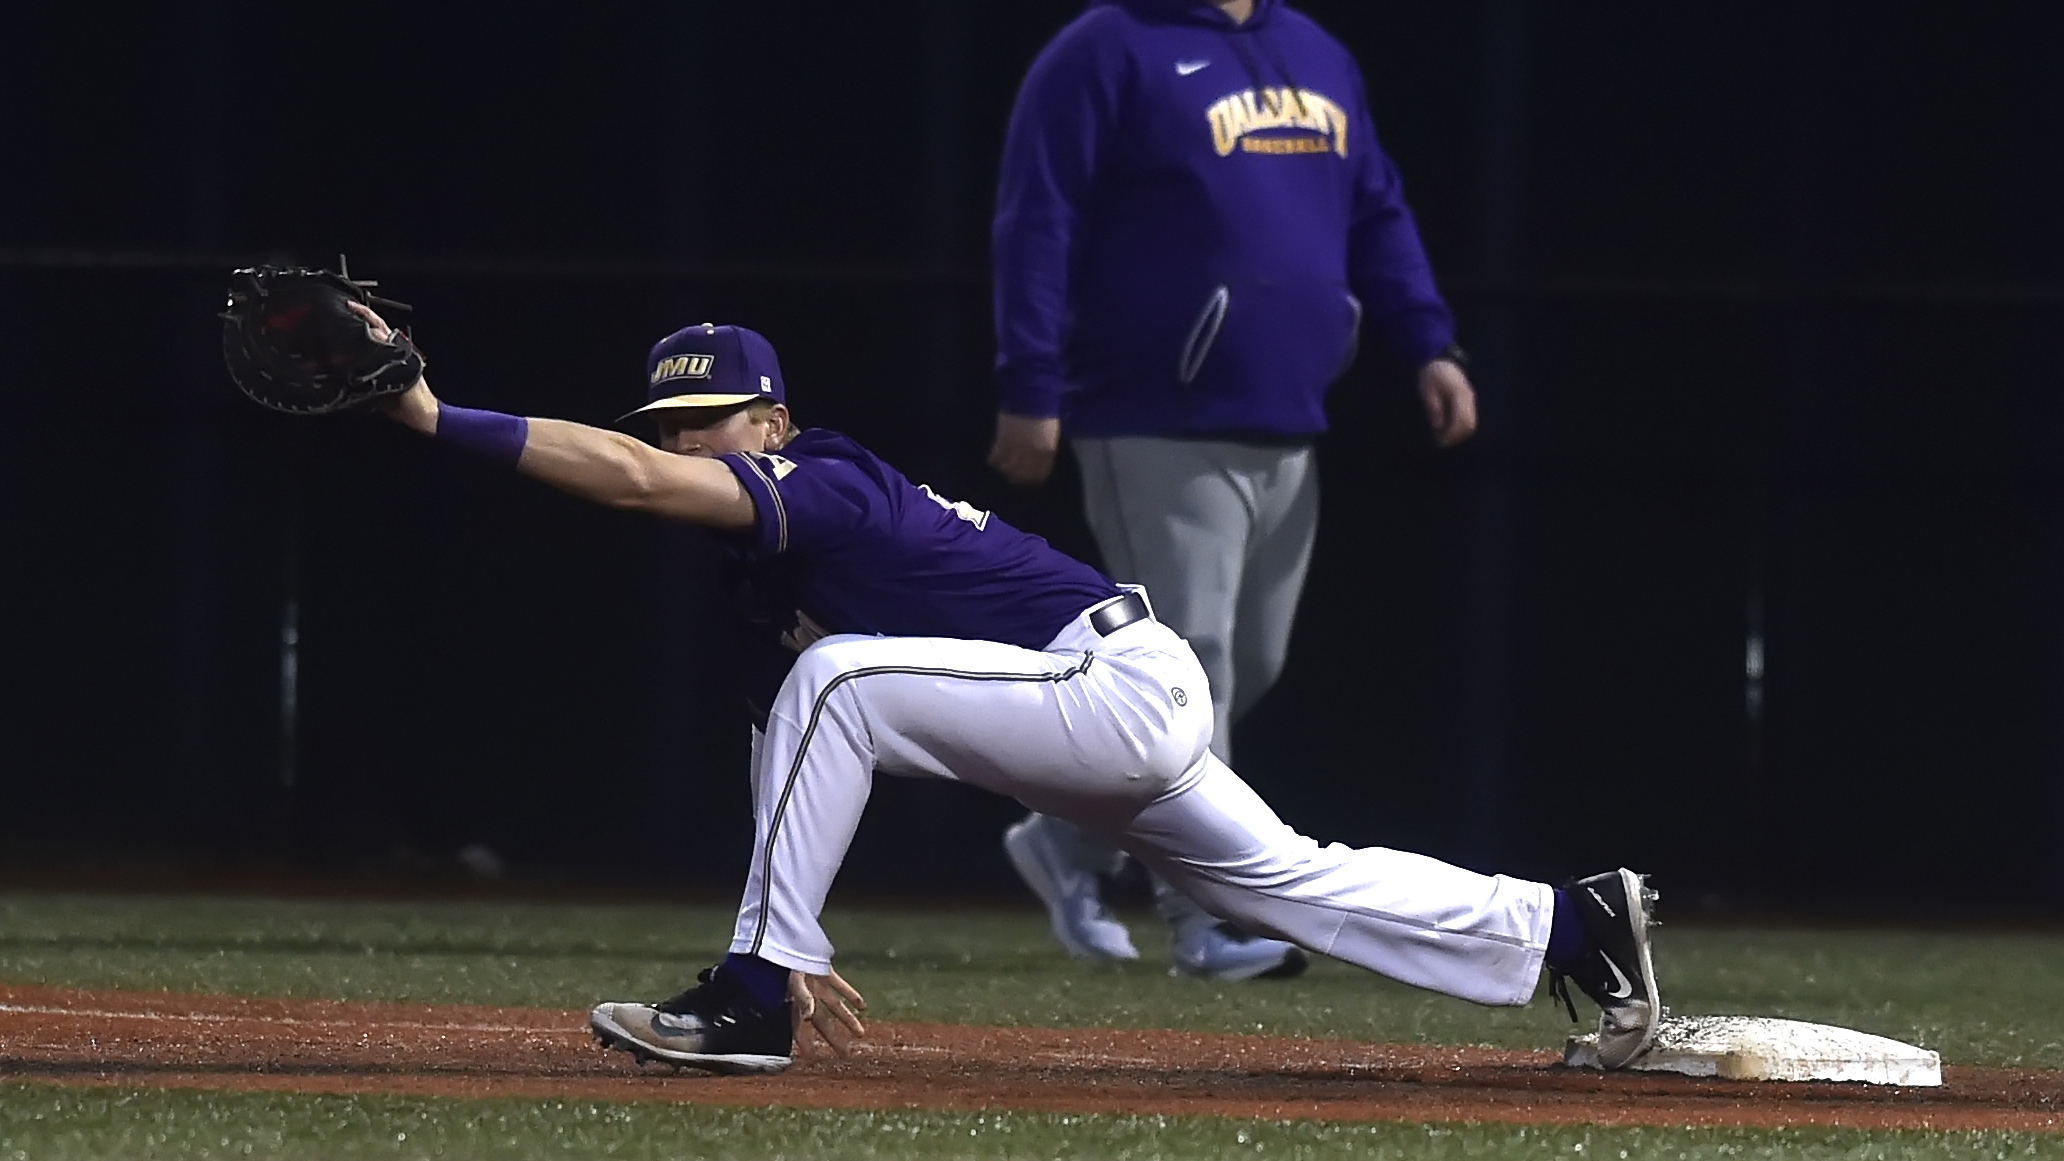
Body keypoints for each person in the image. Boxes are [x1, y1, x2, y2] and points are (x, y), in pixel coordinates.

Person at [358, 308, 1656, 1076]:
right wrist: (786, 911)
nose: (688, 441)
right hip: (1104, 703)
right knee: (1284, 881)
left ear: (775, 420)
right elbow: (791, 754)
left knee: (840, 677)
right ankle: (1571, 927)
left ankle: (750, 1002)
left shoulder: (822, 483)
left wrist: (429, 414)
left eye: (716, 418)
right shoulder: (764, 586)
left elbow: (637, 489)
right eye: (673, 421)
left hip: (1112, 682)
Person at [986, 0, 1479, 978]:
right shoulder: (1104, 50)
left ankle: (1069, 835)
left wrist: (1428, 342)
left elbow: (1375, 206)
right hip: (1152, 412)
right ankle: (1204, 918)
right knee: (1190, 668)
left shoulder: (1315, 52)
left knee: (1248, 663)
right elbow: (1037, 218)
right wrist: (1028, 382)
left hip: (1287, 412)